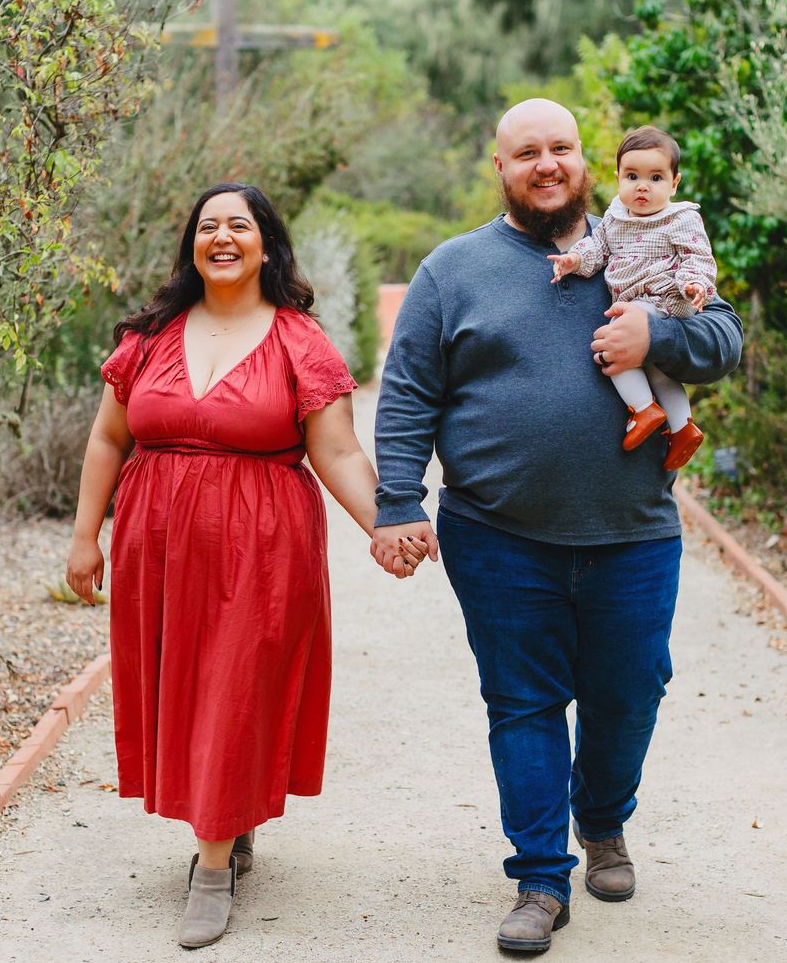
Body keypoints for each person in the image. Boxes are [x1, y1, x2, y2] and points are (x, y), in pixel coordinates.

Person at [372, 100, 743, 953]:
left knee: (632, 691)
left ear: (585, 161)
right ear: (500, 167)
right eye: (526, 152)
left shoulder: (646, 240)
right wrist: (398, 502)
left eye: (561, 148)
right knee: (522, 703)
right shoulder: (454, 270)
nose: (546, 164)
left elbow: (724, 340)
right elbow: (409, 393)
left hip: (633, 531)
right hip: (497, 536)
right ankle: (540, 878)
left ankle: (602, 820)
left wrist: (658, 333)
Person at [65, 183, 426, 949]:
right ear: (191, 246)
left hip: (262, 549)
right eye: (208, 226)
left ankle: (211, 869)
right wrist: (85, 536)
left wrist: (388, 524)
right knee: (187, 691)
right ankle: (228, 819)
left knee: (234, 691)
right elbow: (108, 438)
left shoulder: (300, 341)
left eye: (239, 225)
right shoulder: (150, 337)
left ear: (267, 245)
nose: (222, 237)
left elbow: (336, 452)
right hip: (158, 550)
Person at [547, 125, 717, 471]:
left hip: (663, 297)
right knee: (654, 367)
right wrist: (574, 260)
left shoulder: (680, 218)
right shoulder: (615, 218)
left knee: (613, 347)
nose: (642, 186)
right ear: (618, 178)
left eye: (656, 178)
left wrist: (694, 284)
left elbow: (697, 256)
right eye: (632, 176)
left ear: (674, 184)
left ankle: (643, 409)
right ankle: (683, 427)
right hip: (637, 302)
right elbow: (597, 249)